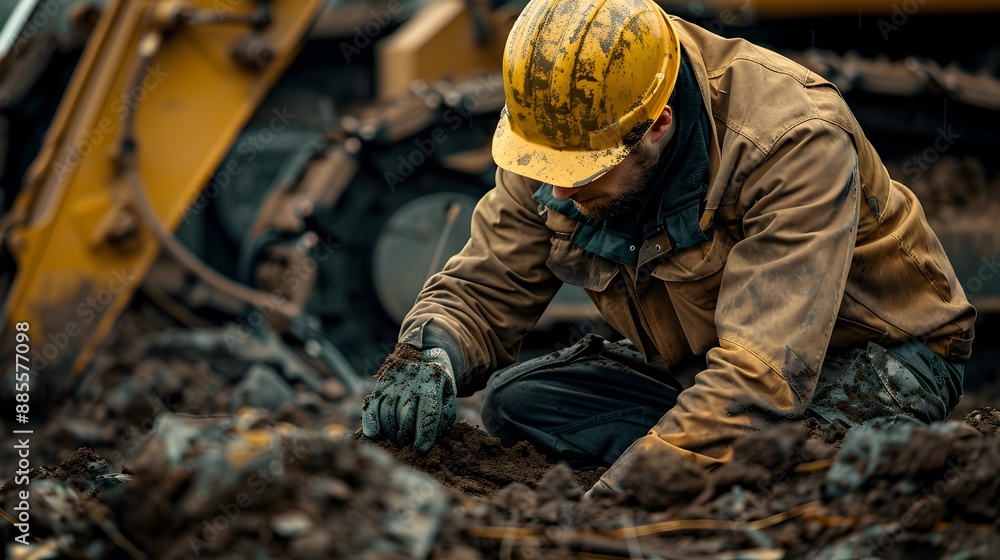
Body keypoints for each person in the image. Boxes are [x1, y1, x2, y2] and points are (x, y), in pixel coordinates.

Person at [360, 0, 976, 496]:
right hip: (710, 364)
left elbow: (762, 374)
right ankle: (704, 450)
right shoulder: (560, 132)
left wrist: (628, 491)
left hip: (875, 358)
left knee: (787, 476)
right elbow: (485, 285)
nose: (558, 190)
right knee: (520, 403)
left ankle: (759, 467)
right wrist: (429, 353)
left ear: (657, 125)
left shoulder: (791, 141)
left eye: (584, 171)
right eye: (549, 167)